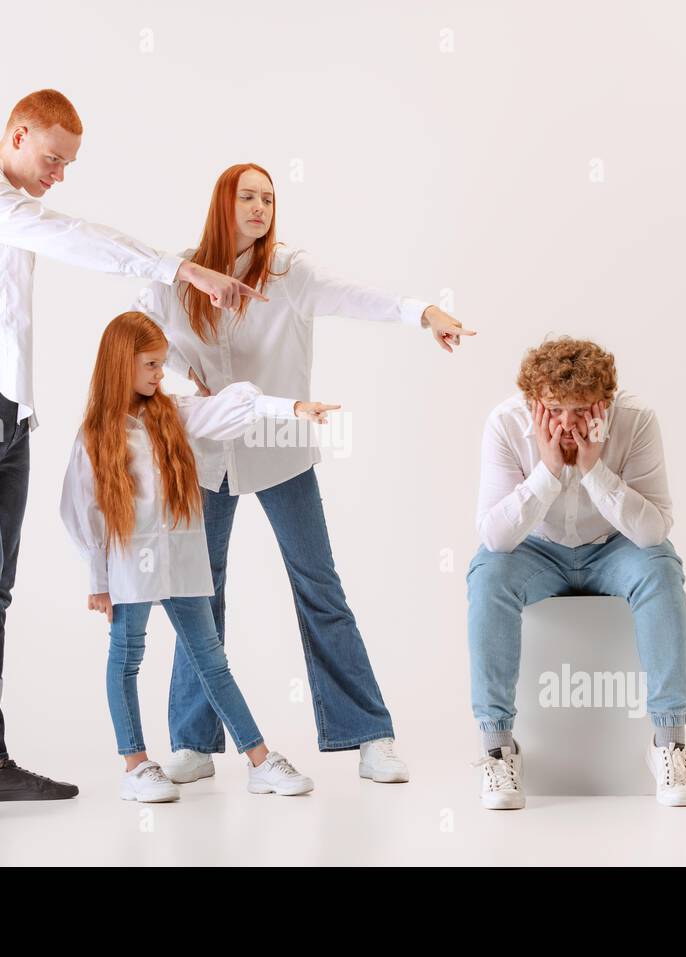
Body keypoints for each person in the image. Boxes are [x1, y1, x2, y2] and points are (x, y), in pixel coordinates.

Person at [0, 89, 260, 826]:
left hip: (8, 414)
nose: (59, 173)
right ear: (17, 134)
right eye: (52, 158)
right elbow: (70, 237)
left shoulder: (14, 206)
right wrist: (178, 268)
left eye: (69, 164)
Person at [133, 162, 475, 786]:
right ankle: (193, 741)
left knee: (319, 584)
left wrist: (424, 312)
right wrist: (184, 369)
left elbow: (360, 298)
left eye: (269, 198)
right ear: (222, 203)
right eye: (248, 197)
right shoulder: (181, 274)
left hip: (282, 448)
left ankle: (369, 734)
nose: (261, 208)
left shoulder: (292, 272)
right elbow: (141, 328)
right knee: (197, 595)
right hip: (208, 455)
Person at [60, 311, 336, 800]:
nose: (158, 374)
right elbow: (83, 511)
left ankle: (259, 759)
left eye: (162, 364)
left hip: (184, 562)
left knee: (212, 662)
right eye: (149, 364)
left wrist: (292, 407)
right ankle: (135, 764)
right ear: (120, 364)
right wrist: (97, 580)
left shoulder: (176, 414)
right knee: (126, 659)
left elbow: (236, 408)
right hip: (130, 567)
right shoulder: (94, 436)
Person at [466, 336, 686, 810]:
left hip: (615, 548)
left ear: (604, 403)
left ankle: (669, 743)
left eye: (582, 411)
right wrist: (548, 472)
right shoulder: (506, 423)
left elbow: (654, 531)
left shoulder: (636, 420)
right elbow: (494, 536)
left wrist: (595, 471)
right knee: (488, 575)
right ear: (534, 402)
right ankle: (497, 748)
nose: (567, 425)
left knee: (661, 568)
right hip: (537, 550)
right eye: (554, 409)